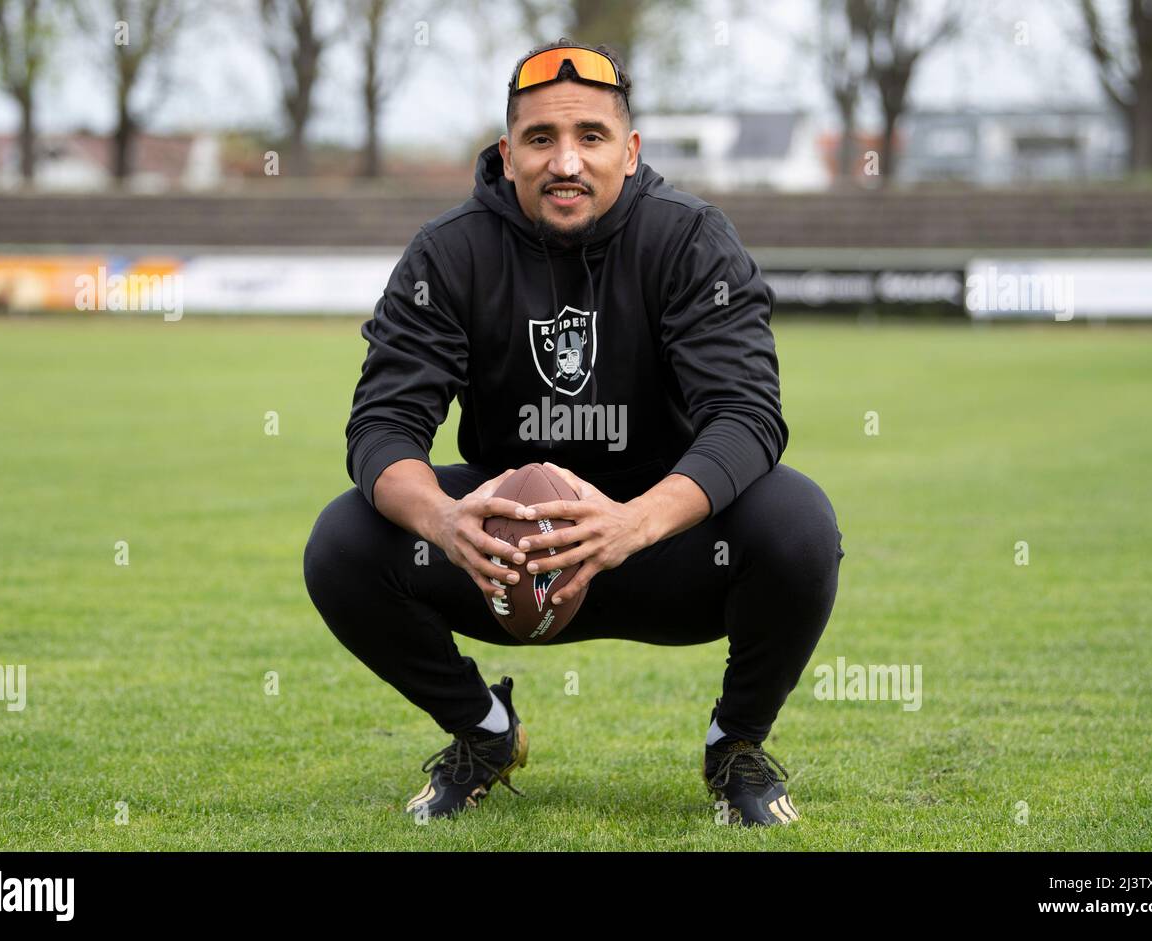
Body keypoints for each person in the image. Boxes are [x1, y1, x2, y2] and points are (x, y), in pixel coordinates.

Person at [303, 39, 844, 827]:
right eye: (541, 140)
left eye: (591, 137)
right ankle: (485, 731)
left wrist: (632, 523)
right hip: (509, 551)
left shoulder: (690, 239)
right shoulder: (448, 254)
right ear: (506, 153)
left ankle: (737, 746)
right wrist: (447, 520)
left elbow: (747, 415)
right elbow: (384, 423)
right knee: (345, 540)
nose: (566, 162)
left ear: (629, 152)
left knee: (798, 522)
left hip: (667, 542)